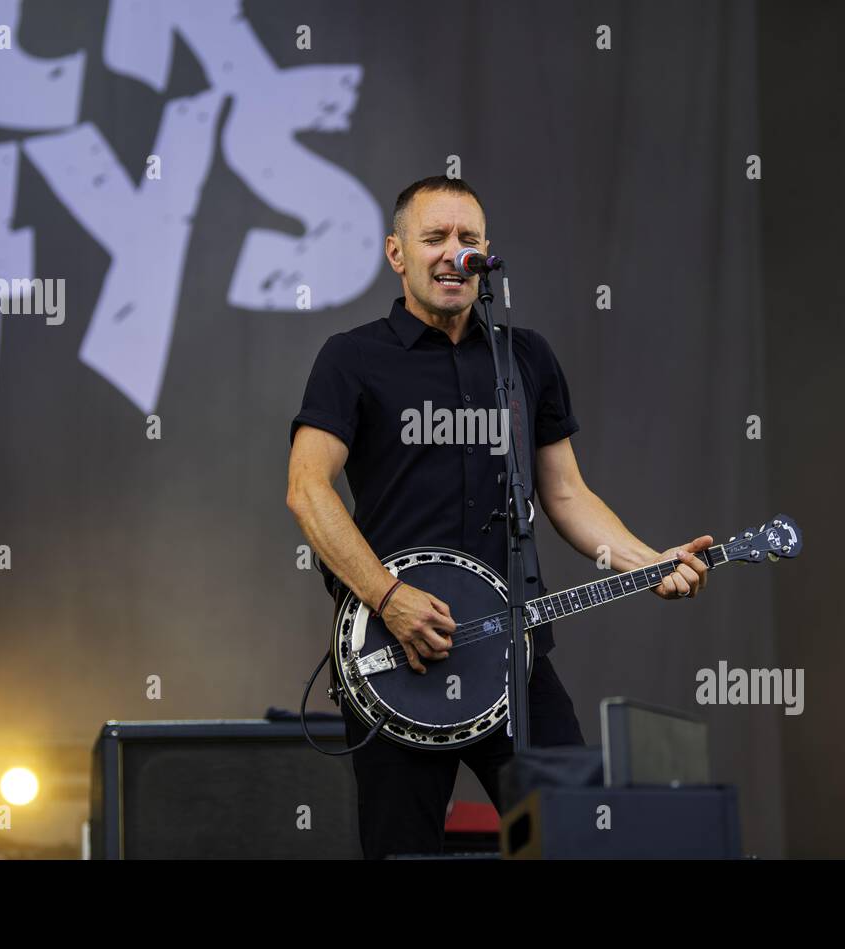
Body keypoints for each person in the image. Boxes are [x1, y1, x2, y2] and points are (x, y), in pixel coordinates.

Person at [286, 175, 712, 859]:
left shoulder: (525, 359)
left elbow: (566, 494)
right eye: (435, 238)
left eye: (468, 239)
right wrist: (386, 597)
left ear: (488, 254)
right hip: (399, 656)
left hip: (514, 650)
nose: (454, 253)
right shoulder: (353, 357)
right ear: (397, 254)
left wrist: (647, 560)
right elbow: (307, 489)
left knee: (579, 837)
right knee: (405, 852)